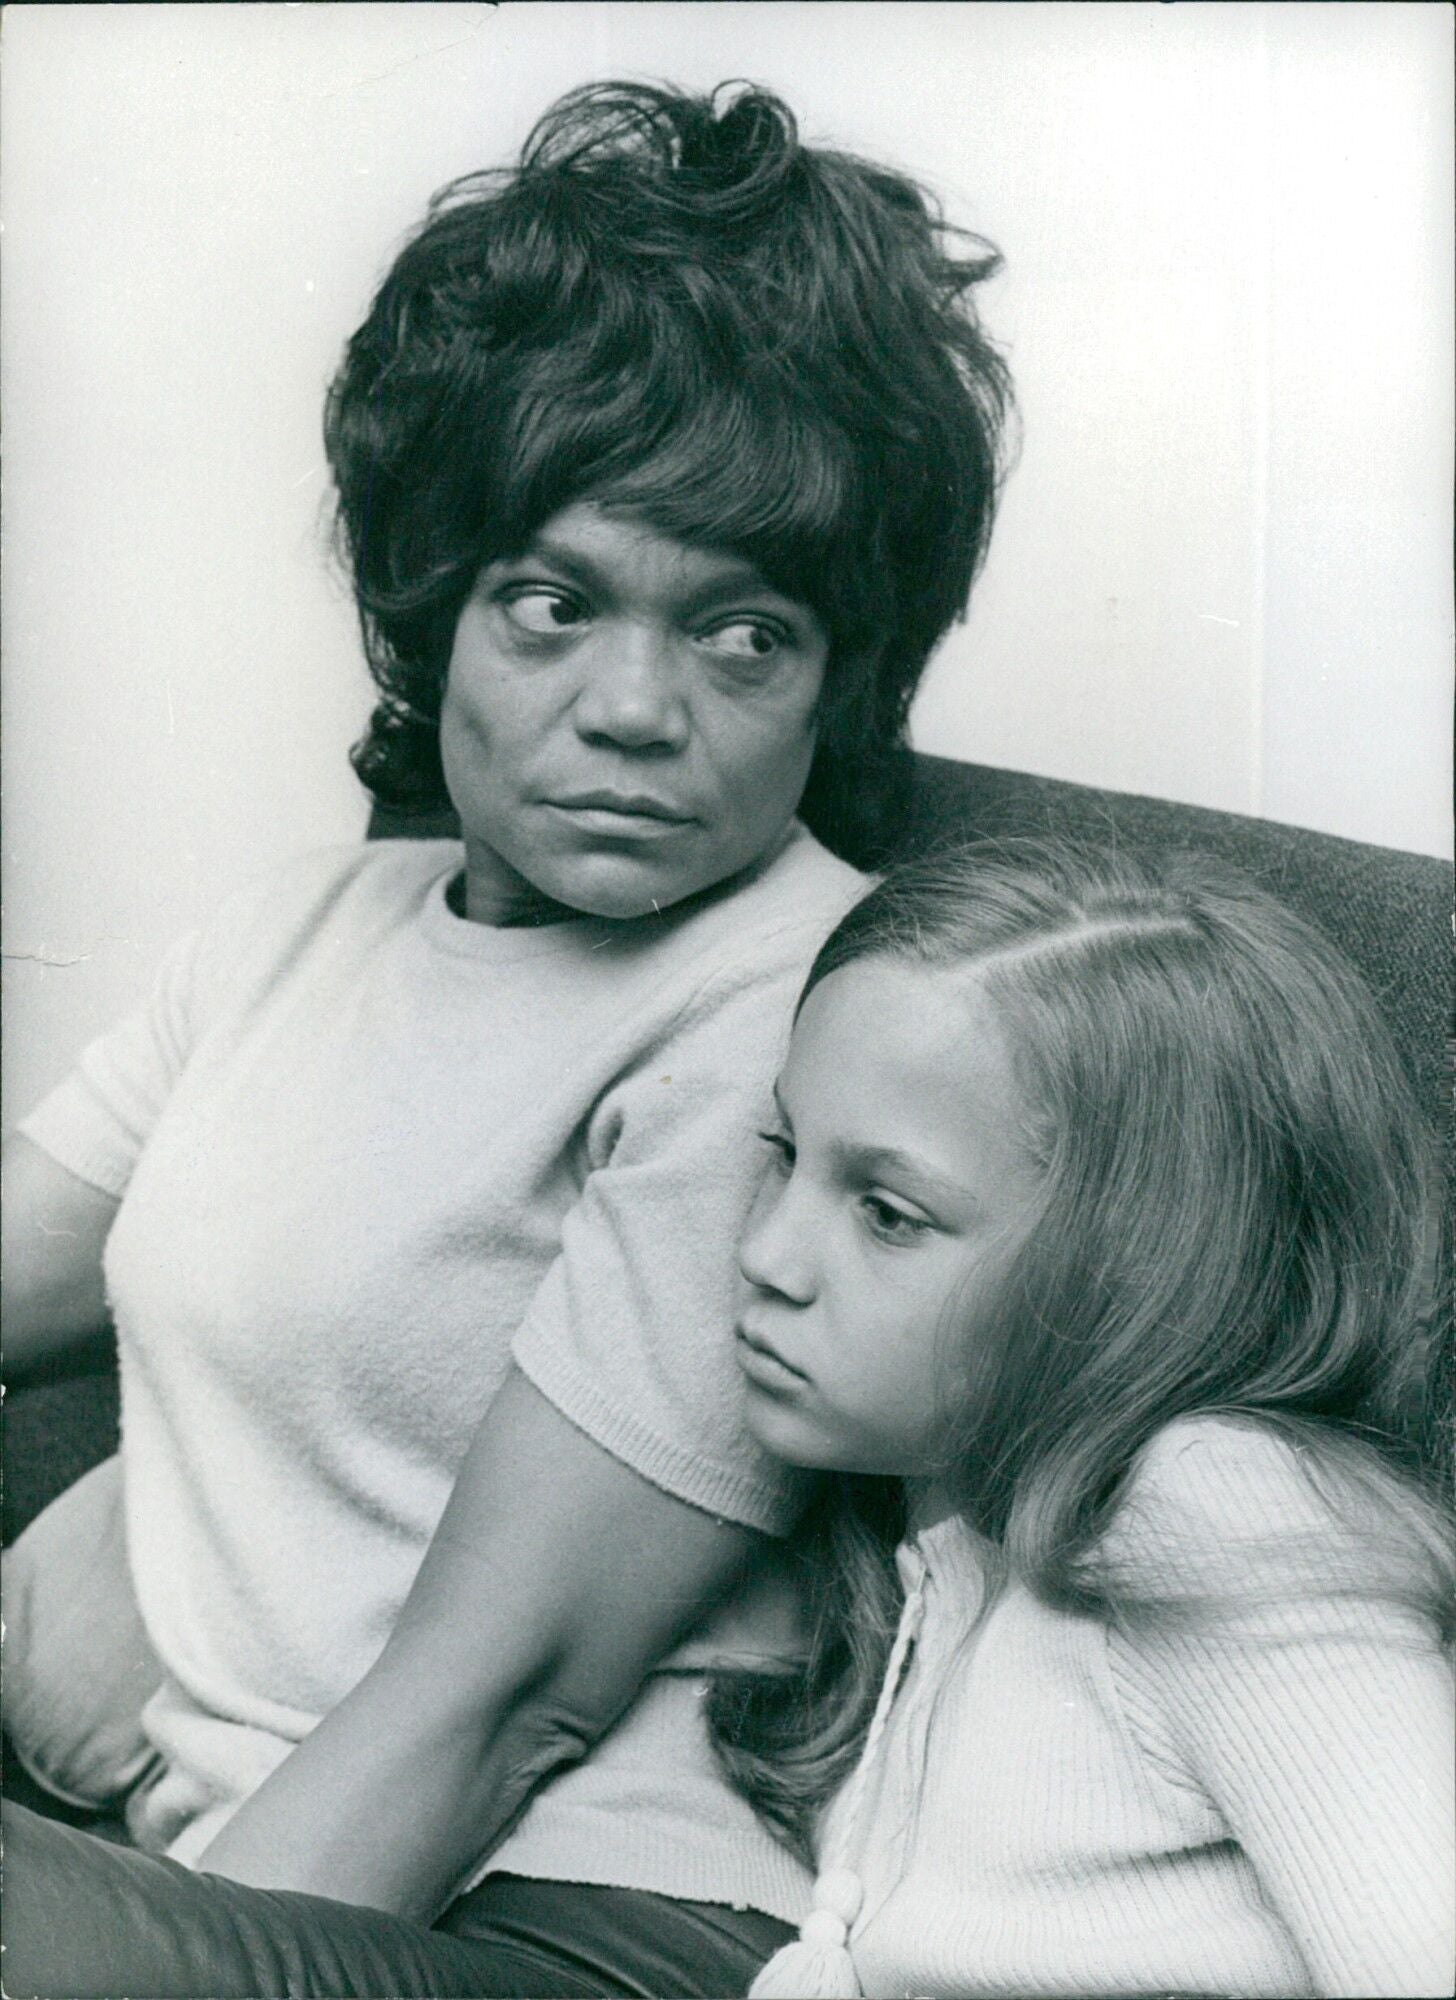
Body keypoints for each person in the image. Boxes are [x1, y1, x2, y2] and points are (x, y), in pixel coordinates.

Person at [0, 79, 1012, 1998]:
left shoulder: (800, 1007)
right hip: (241, 1870)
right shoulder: (298, 930)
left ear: (837, 677)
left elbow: (501, 1710)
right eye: (553, 602)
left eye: (744, 635)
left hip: (563, 1918)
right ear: (433, 616)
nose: (638, 707)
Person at [712, 842, 1453, 2000]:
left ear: (1131, 1269)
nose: (766, 1256)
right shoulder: (944, 1531)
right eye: (784, 1154)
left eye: (889, 1213)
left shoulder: (1208, 1497)